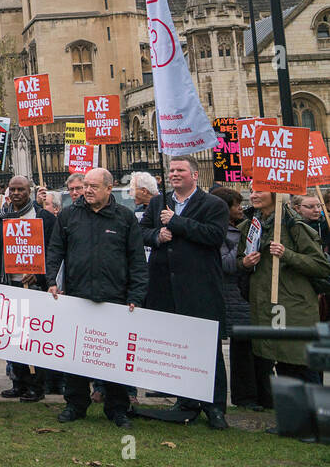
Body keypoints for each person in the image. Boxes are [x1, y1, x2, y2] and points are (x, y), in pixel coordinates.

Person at [45, 168, 145, 429]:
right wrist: (51, 281)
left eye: (93, 186)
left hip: (115, 298)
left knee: (114, 358)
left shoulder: (124, 218)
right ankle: (75, 404)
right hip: (78, 297)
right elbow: (55, 251)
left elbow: (136, 260)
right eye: (85, 185)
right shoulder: (69, 216)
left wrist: (136, 295)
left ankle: (118, 408)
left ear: (109, 189)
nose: (87, 191)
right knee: (76, 355)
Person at [139, 156, 230, 428]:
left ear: (194, 174)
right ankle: (185, 401)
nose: (174, 174)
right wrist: (157, 235)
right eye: (172, 170)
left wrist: (176, 223)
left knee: (207, 347)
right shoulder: (158, 202)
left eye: (180, 170)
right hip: (166, 287)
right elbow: (141, 231)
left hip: (199, 287)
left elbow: (214, 235)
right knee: (177, 347)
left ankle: (214, 406)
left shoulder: (214, 204)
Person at [239, 190, 330, 404]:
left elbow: (321, 265)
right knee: (280, 360)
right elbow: (238, 260)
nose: (253, 195)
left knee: (299, 363)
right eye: (251, 190)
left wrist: (286, 254)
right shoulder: (252, 226)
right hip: (267, 303)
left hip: (294, 305)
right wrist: (244, 263)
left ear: (275, 195)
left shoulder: (295, 226)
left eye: (259, 190)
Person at [0, 175, 57, 401]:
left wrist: (39, 274)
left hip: (33, 286)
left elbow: (52, 250)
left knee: (33, 338)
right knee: (14, 335)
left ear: (30, 191)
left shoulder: (43, 217)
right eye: (13, 189)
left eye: (21, 189)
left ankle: (37, 386)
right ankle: (19, 382)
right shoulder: (0, 218)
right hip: (9, 284)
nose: (16, 193)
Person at [212, 186, 262, 410]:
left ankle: (256, 393)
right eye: (236, 205)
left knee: (249, 347)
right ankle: (243, 397)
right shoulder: (220, 232)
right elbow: (225, 263)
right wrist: (245, 251)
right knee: (240, 347)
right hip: (230, 295)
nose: (240, 208)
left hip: (242, 295)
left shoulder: (240, 227)